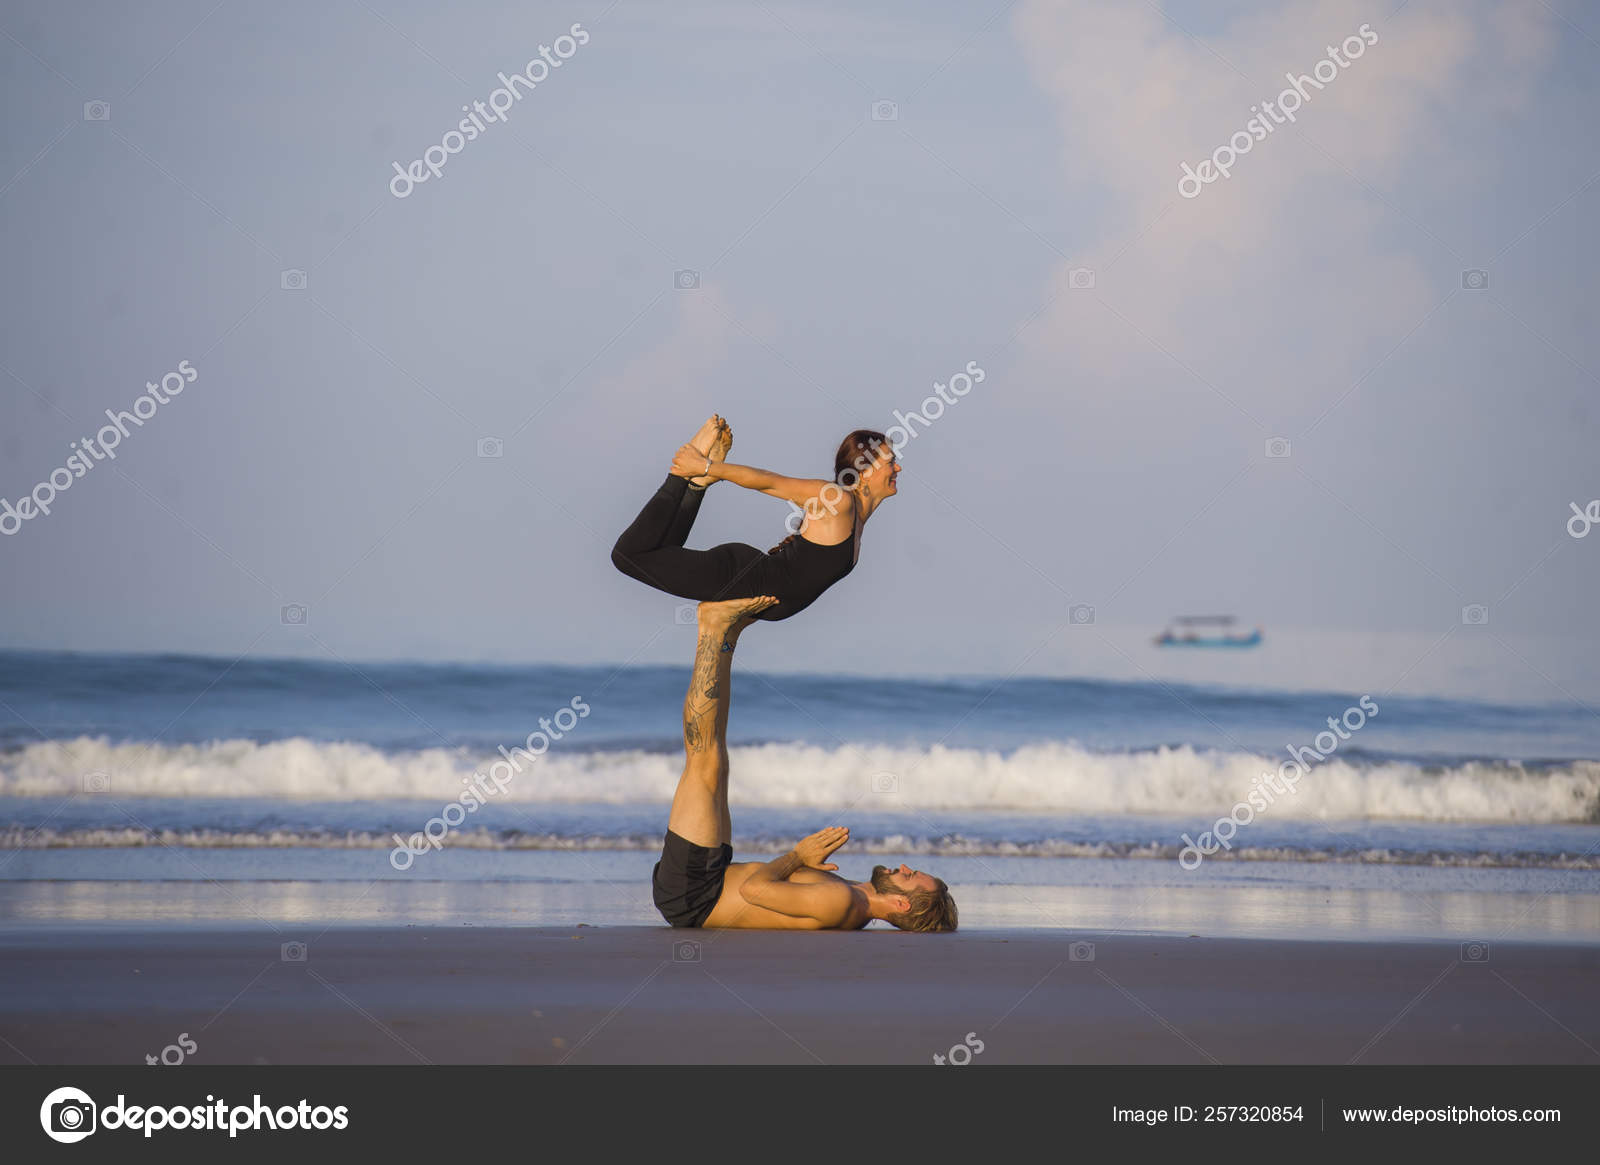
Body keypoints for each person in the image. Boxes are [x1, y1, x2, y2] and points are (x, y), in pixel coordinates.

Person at [651, 594, 958, 932]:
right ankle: (726, 636)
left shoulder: (843, 903)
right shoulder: (850, 898)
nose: (903, 866)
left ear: (902, 903)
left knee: (704, 758)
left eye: (909, 875)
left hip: (693, 894)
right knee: (715, 756)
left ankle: (712, 627)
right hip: (711, 878)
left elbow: (752, 890)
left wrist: (799, 856)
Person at [611, 417, 898, 621]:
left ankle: (696, 483)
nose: (897, 467)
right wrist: (708, 465)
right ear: (865, 469)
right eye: (889, 462)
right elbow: (769, 482)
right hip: (740, 577)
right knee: (627, 556)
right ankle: (683, 472)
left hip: (748, 582)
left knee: (660, 551)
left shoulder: (857, 517)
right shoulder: (836, 501)